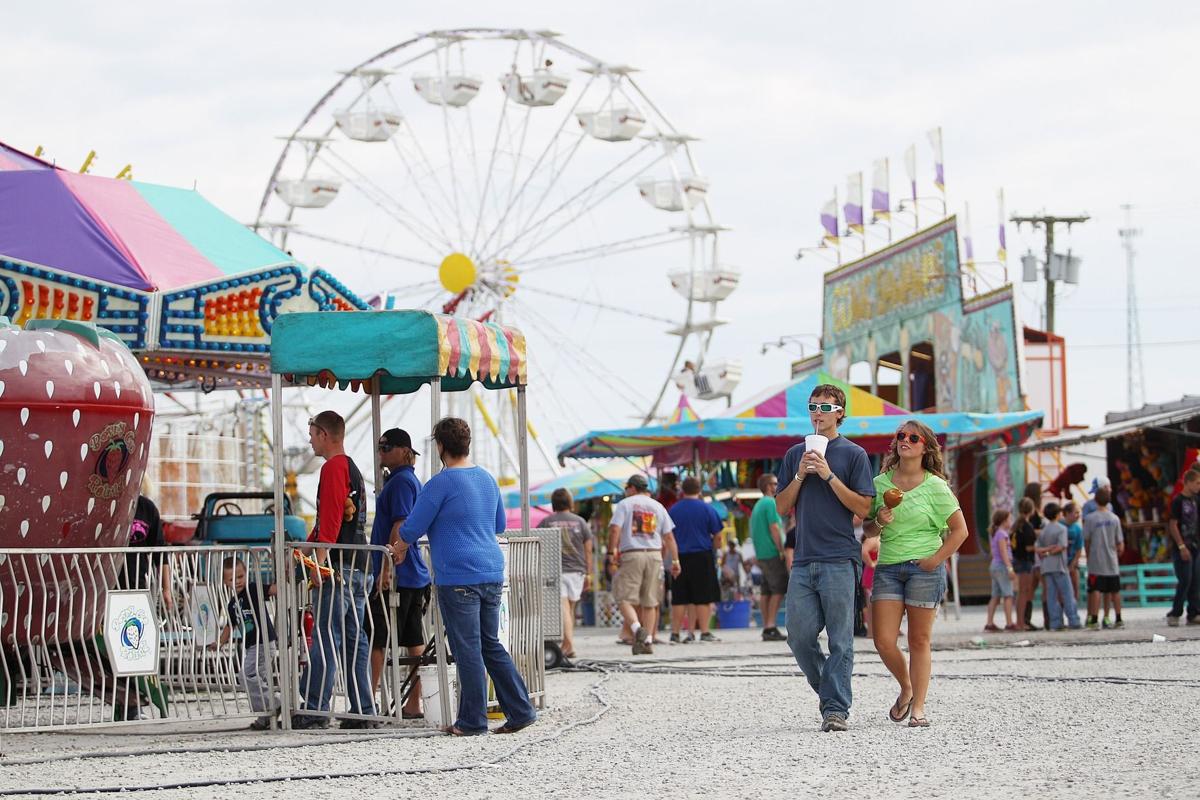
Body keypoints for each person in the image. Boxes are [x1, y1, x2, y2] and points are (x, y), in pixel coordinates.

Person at [396, 417, 536, 736]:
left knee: (468, 648)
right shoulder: (487, 479)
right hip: (491, 569)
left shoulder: (439, 484)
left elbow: (412, 528)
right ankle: (520, 708)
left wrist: (398, 547)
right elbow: (499, 524)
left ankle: (473, 721)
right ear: (467, 444)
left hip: (458, 575)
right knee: (490, 644)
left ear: (441, 446)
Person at [775, 385, 874, 733]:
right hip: (803, 559)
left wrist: (829, 474)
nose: (818, 412)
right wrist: (802, 473)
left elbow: (864, 508)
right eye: (813, 406)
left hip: (839, 557)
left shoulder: (854, 454)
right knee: (798, 637)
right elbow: (782, 507)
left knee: (840, 640)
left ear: (840, 413)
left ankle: (835, 709)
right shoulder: (793, 455)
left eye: (826, 406)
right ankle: (831, 691)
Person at [863, 420, 968, 729]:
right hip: (889, 567)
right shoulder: (880, 483)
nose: (905, 440)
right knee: (882, 640)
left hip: (925, 569)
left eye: (913, 437)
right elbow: (866, 529)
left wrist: (936, 559)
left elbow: (960, 531)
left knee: (919, 640)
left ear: (925, 447)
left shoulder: (936, 486)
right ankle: (906, 687)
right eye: (900, 436)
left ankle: (919, 708)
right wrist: (879, 520)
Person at [293, 410, 375, 730]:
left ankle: (315, 706)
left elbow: (329, 519)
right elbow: (340, 519)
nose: (310, 440)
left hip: (338, 565)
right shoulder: (351, 468)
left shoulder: (333, 468)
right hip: (358, 562)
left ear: (325, 435)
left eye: (312, 434)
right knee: (355, 638)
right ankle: (363, 707)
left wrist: (318, 561)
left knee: (326, 635)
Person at [368, 428, 430, 720]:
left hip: (399, 574)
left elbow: (400, 526)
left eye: (386, 448)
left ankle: (371, 699)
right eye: (380, 448)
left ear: (403, 450)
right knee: (412, 638)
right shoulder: (402, 480)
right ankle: (412, 702)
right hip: (412, 573)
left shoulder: (402, 482)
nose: (381, 453)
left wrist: (385, 567)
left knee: (378, 637)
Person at [608, 474, 681, 655]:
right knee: (650, 601)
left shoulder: (625, 504)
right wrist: (675, 560)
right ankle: (647, 641)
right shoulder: (658, 506)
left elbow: (615, 528)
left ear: (632, 488)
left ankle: (636, 629)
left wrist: (611, 552)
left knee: (623, 597)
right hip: (655, 555)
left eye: (627, 488)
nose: (626, 492)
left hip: (632, 554)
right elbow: (669, 536)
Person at [219, 558, 279, 730]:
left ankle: (276, 703)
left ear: (246, 574)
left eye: (240, 576)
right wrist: (219, 642)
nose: (237, 581)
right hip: (252, 645)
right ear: (225, 582)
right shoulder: (233, 604)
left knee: (246, 676)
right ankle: (265, 717)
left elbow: (273, 590)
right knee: (260, 680)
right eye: (232, 579)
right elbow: (230, 626)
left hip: (264, 641)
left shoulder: (252, 589)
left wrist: (285, 578)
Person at [538, 488, 593, 658]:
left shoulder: (546, 522)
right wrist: (589, 573)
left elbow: (537, 545)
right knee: (570, 610)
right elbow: (588, 550)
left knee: (564, 610)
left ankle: (569, 646)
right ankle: (567, 646)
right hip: (577, 571)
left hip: (556, 570)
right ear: (569, 501)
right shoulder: (580, 522)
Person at [668, 476, 723, 643]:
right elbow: (718, 536)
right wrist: (714, 548)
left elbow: (667, 535)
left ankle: (675, 633)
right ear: (699, 490)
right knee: (703, 596)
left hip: (680, 556)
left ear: (682, 491)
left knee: (679, 597)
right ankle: (704, 632)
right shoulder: (707, 509)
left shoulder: (673, 510)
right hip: (702, 555)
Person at [750, 474, 788, 641]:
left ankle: (766, 625)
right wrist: (781, 549)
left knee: (766, 591)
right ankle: (771, 626)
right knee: (778, 589)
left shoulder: (758, 505)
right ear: (767, 486)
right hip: (772, 552)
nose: (776, 485)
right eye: (774, 483)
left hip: (761, 553)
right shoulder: (770, 503)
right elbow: (774, 528)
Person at [1082, 487, 1125, 630]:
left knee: (1096, 589)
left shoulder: (1090, 519)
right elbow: (1120, 542)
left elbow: (1087, 540)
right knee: (1114, 590)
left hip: (1096, 559)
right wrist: (1117, 553)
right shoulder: (1115, 518)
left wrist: (1088, 555)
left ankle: (1094, 619)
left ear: (1095, 500)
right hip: (1111, 560)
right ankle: (1118, 618)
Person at [1036, 503, 1081, 630]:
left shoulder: (1043, 531)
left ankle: (1055, 622)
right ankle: (1073, 620)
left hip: (1046, 566)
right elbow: (1062, 546)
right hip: (1060, 565)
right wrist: (1051, 551)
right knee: (1067, 593)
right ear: (1057, 514)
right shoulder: (1062, 529)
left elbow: (1037, 548)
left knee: (1051, 595)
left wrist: (1045, 551)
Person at [1166, 466, 1200, 626]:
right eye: (1197, 483)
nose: (1199, 486)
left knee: (1195, 579)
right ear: (1188, 483)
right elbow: (1173, 525)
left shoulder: (1196, 500)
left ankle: (1194, 612)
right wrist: (1181, 546)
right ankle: (1175, 612)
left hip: (1195, 545)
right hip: (1182, 547)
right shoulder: (1178, 501)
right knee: (1185, 579)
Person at [984, 510, 1017, 632]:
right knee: (1008, 595)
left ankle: (989, 622)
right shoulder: (1002, 534)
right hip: (1002, 567)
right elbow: (1004, 552)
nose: (1011, 522)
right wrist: (1010, 568)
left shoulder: (995, 533)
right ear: (1004, 521)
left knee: (995, 596)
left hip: (994, 566)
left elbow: (994, 552)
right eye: (1009, 519)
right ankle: (1009, 623)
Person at [1012, 498, 1040, 632]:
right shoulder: (1027, 526)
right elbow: (1029, 547)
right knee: (1024, 593)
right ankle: (1020, 622)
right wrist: (1042, 549)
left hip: (1017, 559)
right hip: (1025, 561)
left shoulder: (1016, 525)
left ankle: (1019, 621)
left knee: (1021, 593)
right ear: (1031, 510)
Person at [1063, 502, 1085, 599]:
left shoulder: (1078, 529)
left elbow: (1079, 548)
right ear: (1067, 513)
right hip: (1060, 562)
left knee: (1075, 585)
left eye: (1079, 513)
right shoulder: (1059, 525)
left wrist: (1073, 563)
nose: (1078, 515)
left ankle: (1074, 606)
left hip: (1072, 561)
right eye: (1075, 513)